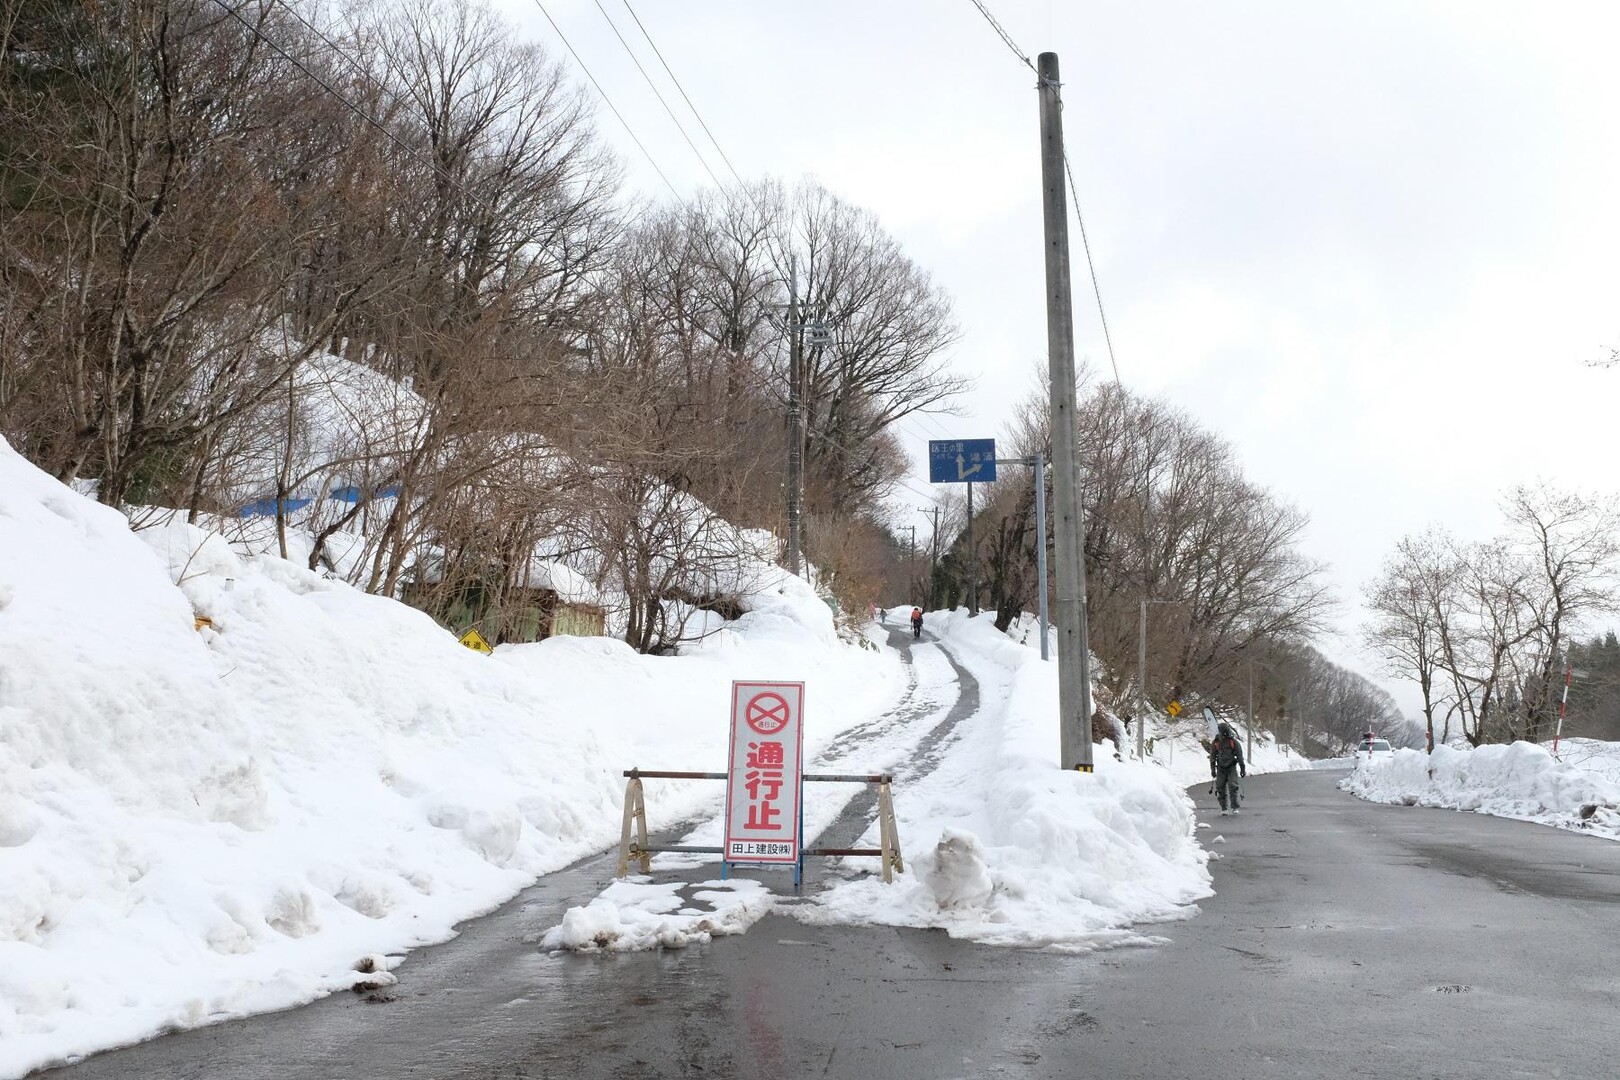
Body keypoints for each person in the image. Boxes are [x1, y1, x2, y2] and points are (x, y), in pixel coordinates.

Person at [1209, 721, 1247, 815]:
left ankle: (1234, 807)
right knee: (1220, 787)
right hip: (1221, 768)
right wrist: (1213, 770)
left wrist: (1242, 768)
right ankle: (1224, 808)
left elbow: (1239, 756)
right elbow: (1213, 757)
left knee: (1233, 786)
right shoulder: (1216, 742)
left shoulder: (1233, 742)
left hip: (1231, 767)